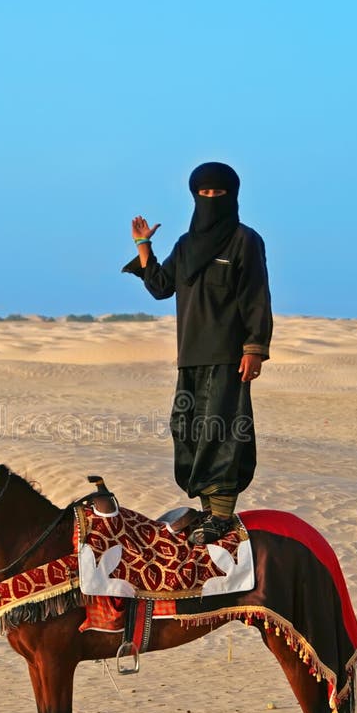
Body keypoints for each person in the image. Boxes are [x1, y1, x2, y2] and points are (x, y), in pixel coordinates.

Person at [122, 161, 272, 543]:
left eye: (217, 193)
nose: (209, 199)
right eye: (202, 193)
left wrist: (254, 348)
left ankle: (221, 516)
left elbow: (256, 297)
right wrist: (144, 246)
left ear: (231, 196)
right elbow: (160, 286)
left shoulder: (244, 241)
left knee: (221, 432)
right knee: (187, 430)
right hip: (190, 355)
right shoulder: (186, 246)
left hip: (227, 356)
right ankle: (207, 510)